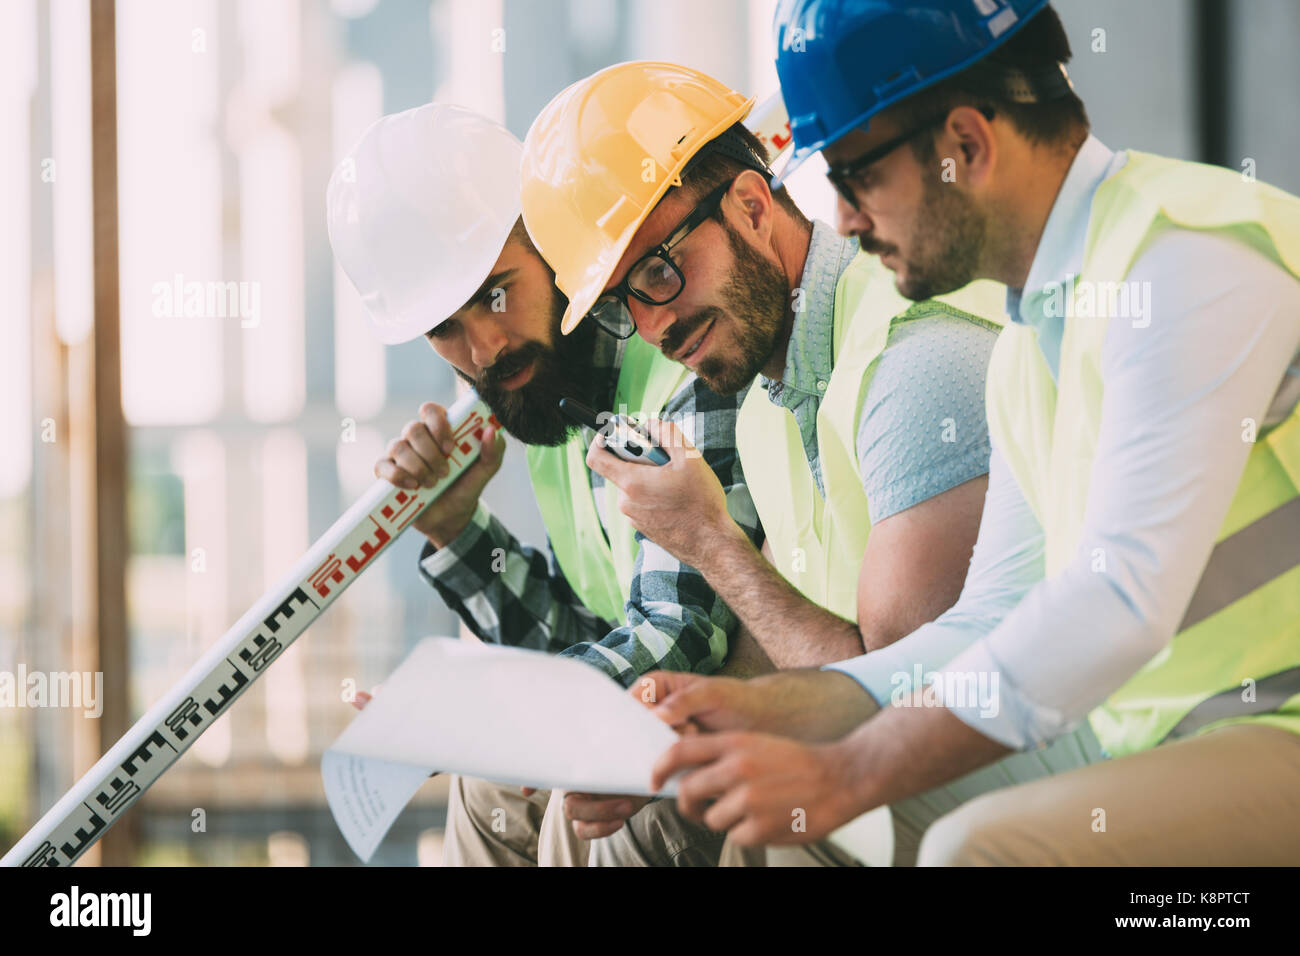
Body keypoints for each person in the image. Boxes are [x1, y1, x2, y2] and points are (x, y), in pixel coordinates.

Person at [635, 0, 1300, 864]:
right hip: (1154, 733)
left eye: (856, 178)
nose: (841, 221)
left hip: (1273, 725)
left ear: (967, 146)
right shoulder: (1036, 330)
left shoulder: (1181, 261)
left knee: (972, 848)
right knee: (795, 826)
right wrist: (778, 709)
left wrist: (854, 770)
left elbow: (1120, 603)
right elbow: (982, 620)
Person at [518, 62, 1091, 867]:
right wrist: (685, 717)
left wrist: (712, 544)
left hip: (1034, 746)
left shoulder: (915, 363)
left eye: (658, 271)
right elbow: (798, 645)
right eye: (625, 303)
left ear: (754, 205)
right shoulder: (758, 408)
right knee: (613, 815)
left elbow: (905, 701)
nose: (653, 325)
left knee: (783, 824)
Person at [326, 102, 762, 866]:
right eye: (446, 328)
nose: (486, 345)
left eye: (496, 292)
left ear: (555, 240)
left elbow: (675, 641)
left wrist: (486, 714)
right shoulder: (548, 396)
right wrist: (460, 529)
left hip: (772, 709)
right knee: (486, 787)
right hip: (684, 711)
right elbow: (592, 639)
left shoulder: (685, 354)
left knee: (581, 799)